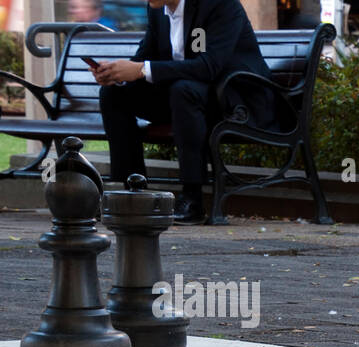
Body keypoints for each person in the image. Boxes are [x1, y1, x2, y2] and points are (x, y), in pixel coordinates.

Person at [91, 0, 276, 225]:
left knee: (184, 90)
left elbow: (209, 65)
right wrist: (114, 73)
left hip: (233, 101)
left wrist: (140, 69)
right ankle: (133, 191)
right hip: (187, 101)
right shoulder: (158, 11)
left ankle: (192, 199)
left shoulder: (219, 5)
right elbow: (146, 58)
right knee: (114, 94)